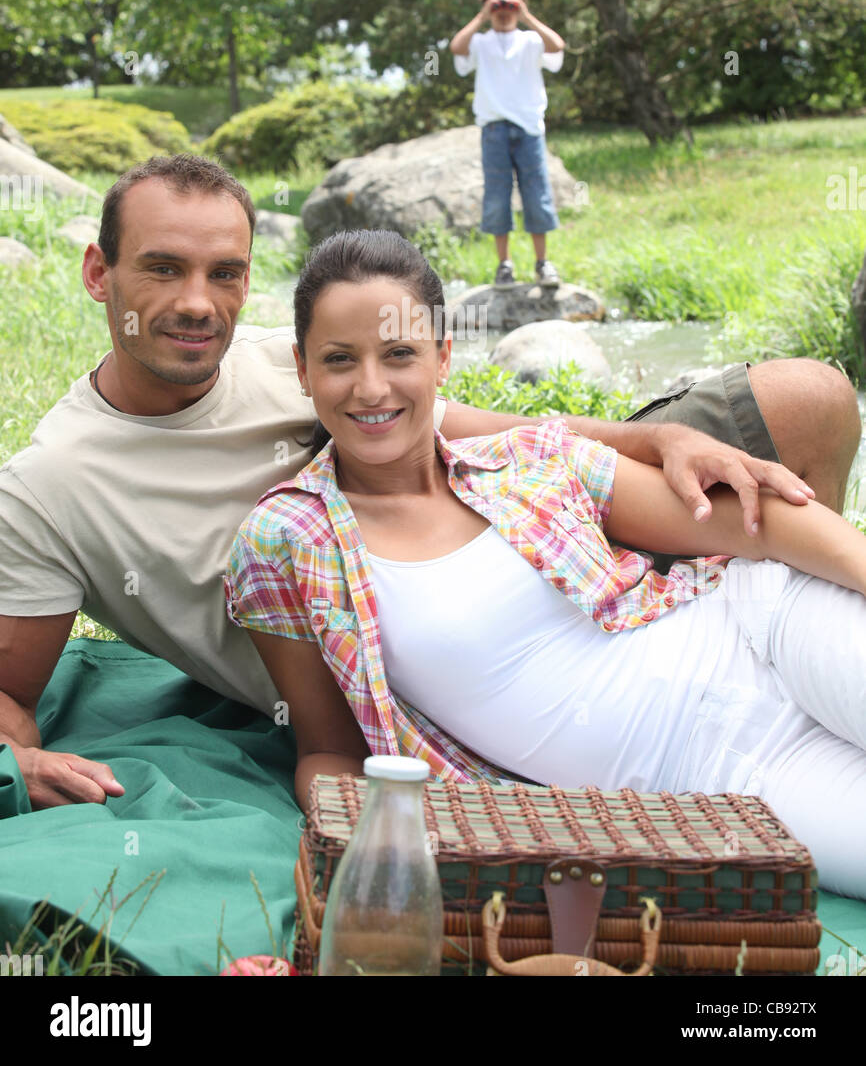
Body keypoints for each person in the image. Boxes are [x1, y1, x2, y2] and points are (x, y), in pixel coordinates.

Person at [0, 155, 857, 812]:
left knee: (808, 403)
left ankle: (778, 623)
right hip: (417, 657)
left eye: (225, 272)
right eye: (162, 268)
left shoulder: (286, 360)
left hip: (520, 542)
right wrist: (18, 761)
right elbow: (9, 692)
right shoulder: (51, 486)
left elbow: (481, 433)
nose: (199, 302)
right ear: (96, 274)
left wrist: (657, 437)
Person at [226, 230, 866, 899]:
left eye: (399, 354)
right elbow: (329, 751)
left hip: (771, 634)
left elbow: (755, 528)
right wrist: (376, 840)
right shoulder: (285, 540)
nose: (371, 386)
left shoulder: (526, 458)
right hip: (723, 780)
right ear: (302, 368)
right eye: (338, 360)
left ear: (442, 359)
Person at [450, 0, 565, 288]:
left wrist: (526, 15)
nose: (504, 10)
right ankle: (505, 265)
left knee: (537, 194)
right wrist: (482, 15)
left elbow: (557, 45)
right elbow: (455, 47)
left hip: (529, 128)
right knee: (497, 197)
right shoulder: (480, 42)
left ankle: (542, 263)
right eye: (498, 3)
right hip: (494, 129)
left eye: (509, 3)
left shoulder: (530, 40)